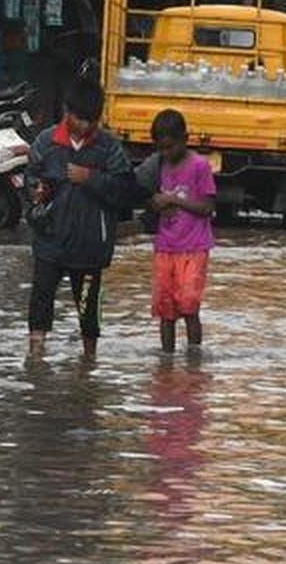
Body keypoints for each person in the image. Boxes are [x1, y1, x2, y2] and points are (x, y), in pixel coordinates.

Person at [25, 77, 136, 359]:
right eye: (80, 119)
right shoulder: (46, 142)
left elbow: (126, 191)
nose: (85, 126)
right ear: (67, 111)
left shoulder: (109, 148)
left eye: (91, 120)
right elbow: (31, 176)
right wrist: (36, 190)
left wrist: (91, 178)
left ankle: (89, 360)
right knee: (41, 299)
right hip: (50, 239)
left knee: (88, 306)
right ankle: (35, 356)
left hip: (90, 246)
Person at [135, 110, 217, 353]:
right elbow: (145, 198)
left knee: (189, 305)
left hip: (194, 248)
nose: (166, 153)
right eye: (161, 148)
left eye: (170, 147)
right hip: (165, 248)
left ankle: (193, 359)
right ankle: (167, 361)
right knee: (166, 310)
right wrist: (156, 203)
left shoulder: (199, 166)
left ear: (185, 139)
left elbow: (208, 208)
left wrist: (175, 201)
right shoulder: (156, 167)